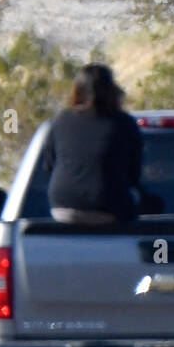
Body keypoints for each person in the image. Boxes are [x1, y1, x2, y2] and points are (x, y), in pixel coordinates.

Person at [42, 63, 142, 225]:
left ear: (77, 90)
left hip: (61, 208)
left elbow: (48, 166)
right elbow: (133, 175)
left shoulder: (61, 120)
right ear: (112, 90)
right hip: (106, 209)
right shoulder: (123, 123)